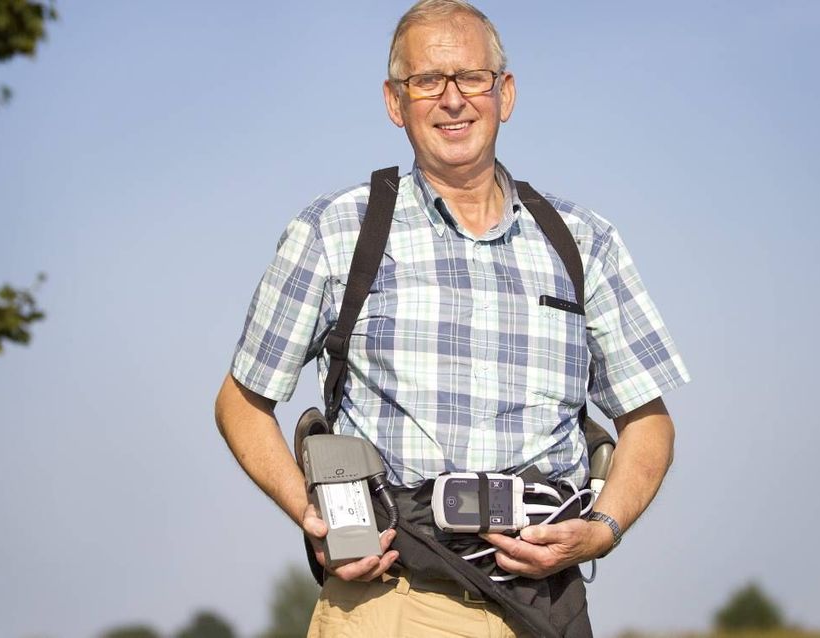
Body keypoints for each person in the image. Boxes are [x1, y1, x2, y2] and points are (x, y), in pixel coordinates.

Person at [215, 0, 690, 635]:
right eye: (427, 81)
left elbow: (649, 423)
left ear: (504, 93)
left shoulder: (584, 242)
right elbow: (241, 402)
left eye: (471, 77)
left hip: (547, 608)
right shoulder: (336, 231)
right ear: (395, 102)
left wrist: (603, 528)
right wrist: (313, 515)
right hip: (393, 601)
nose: (452, 99)